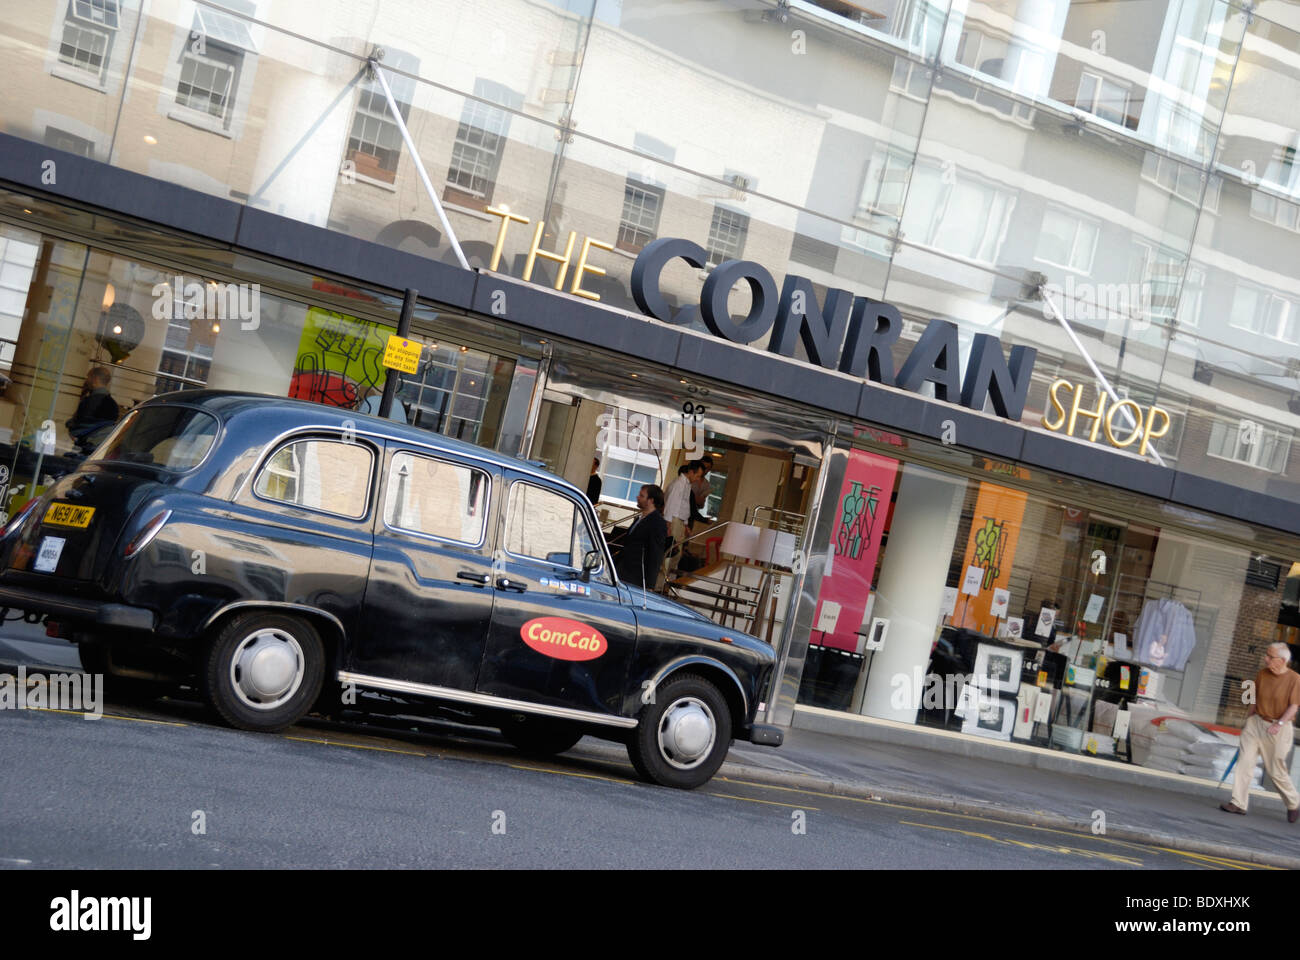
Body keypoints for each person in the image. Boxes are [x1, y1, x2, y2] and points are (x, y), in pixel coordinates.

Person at [1220, 642, 1300, 821]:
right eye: (1267, 655)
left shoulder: (1295, 679)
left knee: (1275, 771)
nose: (1266, 659)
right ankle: (1238, 803)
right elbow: (1253, 697)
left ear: (1283, 660)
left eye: (1270, 657)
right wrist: (1248, 719)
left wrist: (1278, 723)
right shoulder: (1262, 674)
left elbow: (1294, 707)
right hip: (1256, 723)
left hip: (1278, 728)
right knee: (1245, 762)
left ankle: (1293, 802)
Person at [614, 484, 666, 592]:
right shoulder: (640, 518)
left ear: (651, 500)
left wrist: (650, 585)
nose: (637, 497)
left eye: (642, 496)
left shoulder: (657, 522)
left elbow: (655, 554)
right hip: (623, 571)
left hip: (635, 577)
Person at [67, 366, 119, 451]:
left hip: (84, 448)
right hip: (100, 448)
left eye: (88, 377)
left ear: (95, 378)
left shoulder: (90, 401)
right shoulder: (114, 405)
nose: (86, 380)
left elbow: (76, 428)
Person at [663, 460, 702, 566]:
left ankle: (668, 580)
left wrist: (686, 526)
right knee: (669, 555)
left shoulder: (687, 485)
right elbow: (670, 506)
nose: (698, 479)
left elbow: (683, 507)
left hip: (680, 522)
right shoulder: (678, 484)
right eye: (698, 476)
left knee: (676, 555)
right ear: (691, 472)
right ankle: (661, 582)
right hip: (674, 521)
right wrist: (668, 527)